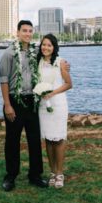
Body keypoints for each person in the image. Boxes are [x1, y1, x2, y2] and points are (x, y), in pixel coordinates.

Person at [0, 20, 69, 191]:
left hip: (33, 101)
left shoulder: (34, 52)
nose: (28, 34)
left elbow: (49, 57)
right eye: (24, 31)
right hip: (15, 100)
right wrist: (7, 105)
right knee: (12, 140)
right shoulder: (8, 54)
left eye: (30, 31)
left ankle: (35, 175)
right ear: (17, 32)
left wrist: (64, 65)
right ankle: (11, 176)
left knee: (35, 139)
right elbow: (4, 81)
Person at [35, 33, 72, 188]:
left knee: (59, 138)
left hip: (58, 104)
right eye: (44, 44)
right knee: (48, 140)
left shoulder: (60, 62)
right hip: (43, 106)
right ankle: (52, 171)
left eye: (49, 45)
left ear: (54, 47)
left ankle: (60, 173)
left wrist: (52, 93)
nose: (46, 47)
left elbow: (69, 84)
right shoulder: (38, 62)